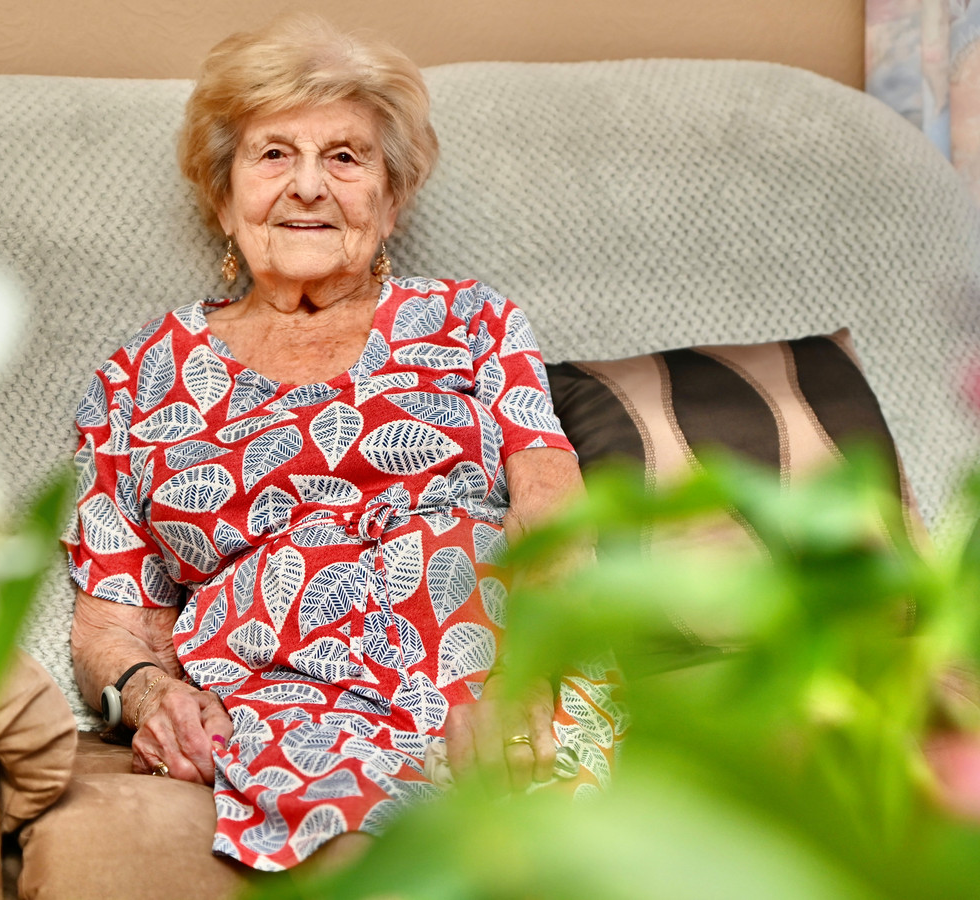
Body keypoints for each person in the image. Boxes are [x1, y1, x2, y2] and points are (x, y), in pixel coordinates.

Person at [63, 14, 623, 873]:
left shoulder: (474, 324)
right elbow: (110, 615)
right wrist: (149, 697)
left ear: (391, 200)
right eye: (274, 154)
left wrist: (521, 676)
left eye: (346, 157)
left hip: (501, 673)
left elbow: (554, 509)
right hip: (285, 711)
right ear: (223, 195)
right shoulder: (142, 377)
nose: (309, 187)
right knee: (375, 855)